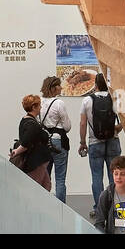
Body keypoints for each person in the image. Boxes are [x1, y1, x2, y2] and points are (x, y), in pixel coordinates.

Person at [79, 72, 122, 213]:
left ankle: (99, 208)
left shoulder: (87, 100)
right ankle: (114, 208)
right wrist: (114, 130)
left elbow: (83, 123)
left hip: (94, 142)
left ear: (95, 84)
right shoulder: (116, 98)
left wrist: (82, 142)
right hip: (113, 141)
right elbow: (123, 123)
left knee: (97, 177)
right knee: (115, 176)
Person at [40, 75, 72, 203]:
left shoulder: (39, 102)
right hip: (58, 141)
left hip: (44, 142)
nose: (61, 87)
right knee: (60, 177)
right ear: (53, 88)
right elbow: (67, 126)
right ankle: (61, 208)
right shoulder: (59, 103)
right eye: (59, 85)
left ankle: (44, 204)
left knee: (45, 176)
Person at [14, 94, 52, 189]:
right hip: (36, 162)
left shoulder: (26, 120)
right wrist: (16, 152)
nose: (41, 107)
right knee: (37, 188)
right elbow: (26, 142)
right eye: (39, 105)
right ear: (34, 107)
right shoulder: (32, 125)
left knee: (46, 186)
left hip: (38, 161)